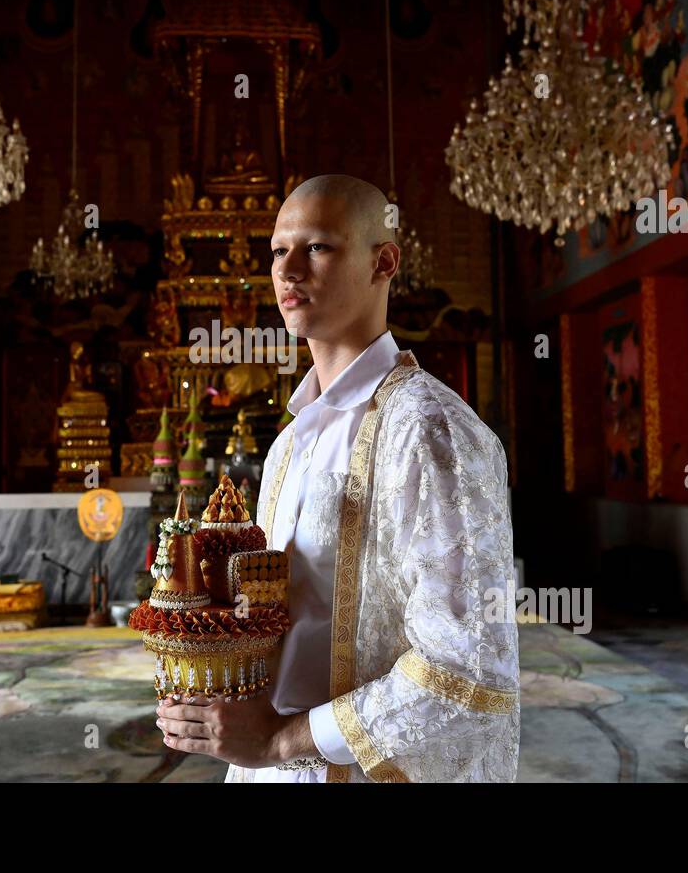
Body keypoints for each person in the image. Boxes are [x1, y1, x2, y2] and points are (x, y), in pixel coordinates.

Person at [155, 174, 520, 782]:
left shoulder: (428, 431)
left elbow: (467, 671)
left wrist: (281, 741)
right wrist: (211, 681)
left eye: (318, 247)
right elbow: (281, 619)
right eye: (278, 251)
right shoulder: (289, 443)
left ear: (384, 261)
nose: (288, 270)